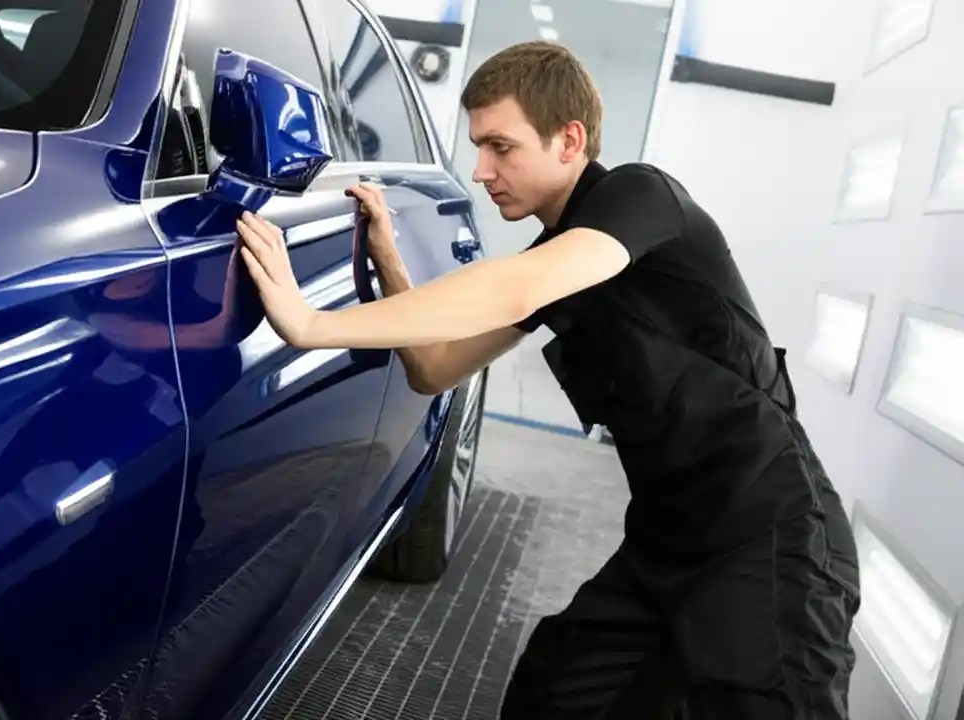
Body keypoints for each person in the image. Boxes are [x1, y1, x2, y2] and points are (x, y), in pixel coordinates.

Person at [235, 39, 860, 719]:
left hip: (772, 540)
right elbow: (434, 368)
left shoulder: (642, 197)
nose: (480, 170)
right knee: (551, 695)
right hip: (667, 542)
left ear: (569, 140)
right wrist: (387, 257)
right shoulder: (557, 259)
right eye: (478, 148)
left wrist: (310, 323)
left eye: (500, 147)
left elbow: (514, 290)